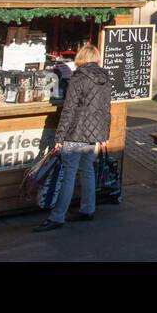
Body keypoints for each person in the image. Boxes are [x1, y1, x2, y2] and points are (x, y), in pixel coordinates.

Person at [34, 42, 111, 232]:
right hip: (94, 134)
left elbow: (69, 109)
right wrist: (104, 134)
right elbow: (106, 109)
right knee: (87, 170)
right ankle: (88, 209)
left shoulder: (78, 77)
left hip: (76, 131)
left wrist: (59, 137)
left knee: (69, 173)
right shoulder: (105, 78)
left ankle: (58, 216)